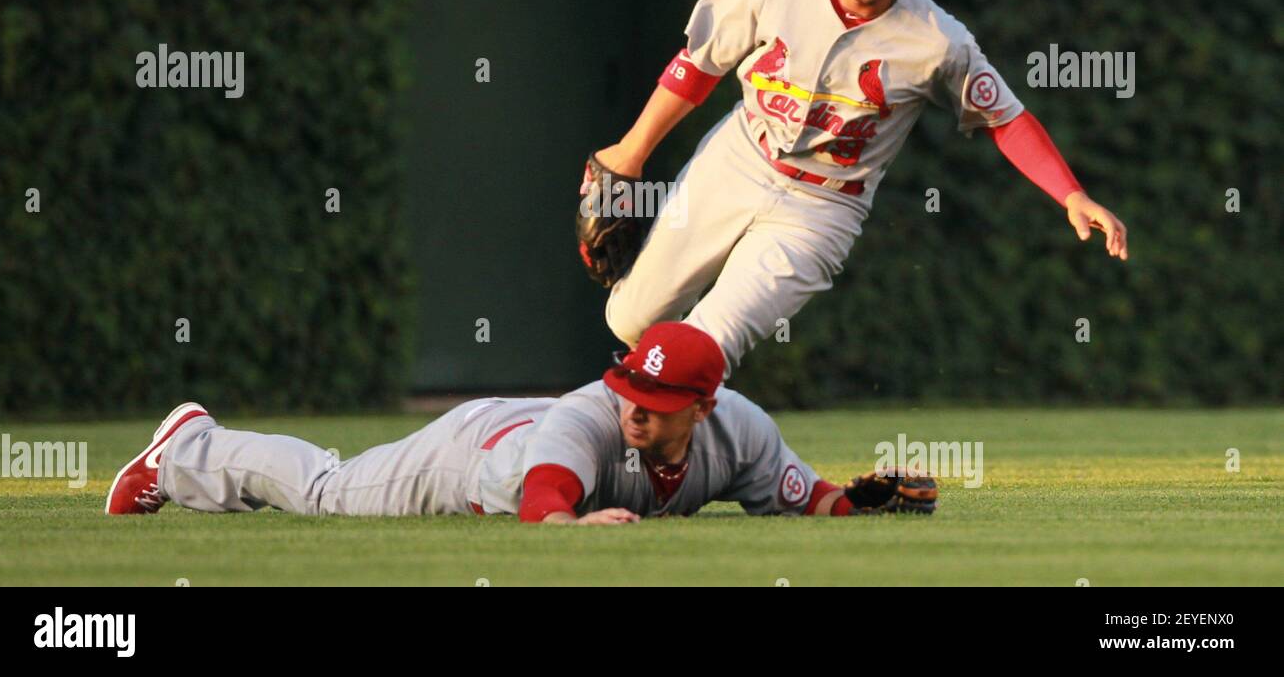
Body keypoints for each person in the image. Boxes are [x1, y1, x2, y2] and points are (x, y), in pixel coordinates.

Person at [586, 0, 1129, 374]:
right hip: (738, 159)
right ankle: (651, 420)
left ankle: (653, 458)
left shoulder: (938, 40)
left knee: (710, 341)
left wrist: (1071, 194)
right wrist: (631, 154)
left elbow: (1005, 119)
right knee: (633, 319)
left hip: (821, 208)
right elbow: (698, 68)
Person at [104, 322, 936, 523]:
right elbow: (544, 495)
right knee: (326, 491)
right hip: (476, 452)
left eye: (657, 402)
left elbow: (803, 498)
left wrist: (857, 503)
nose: (635, 408)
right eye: (629, 390)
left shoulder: (741, 430)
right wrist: (573, 530)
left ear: (703, 406)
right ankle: (189, 447)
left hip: (526, 439)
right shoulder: (592, 419)